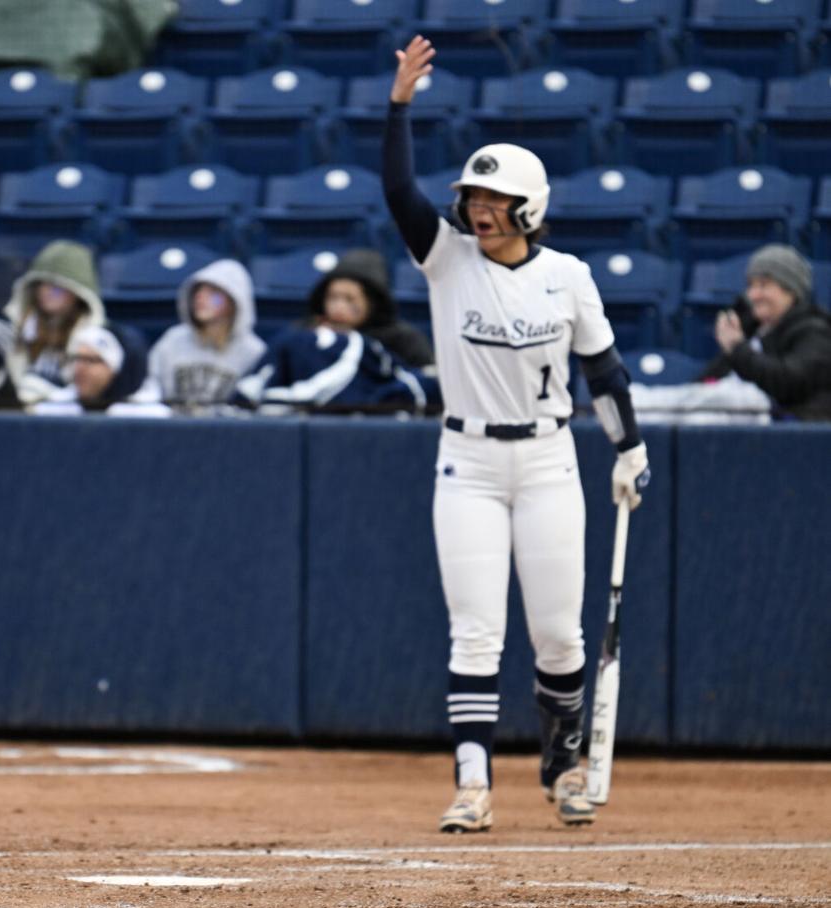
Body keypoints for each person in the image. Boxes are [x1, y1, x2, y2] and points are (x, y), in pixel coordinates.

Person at [385, 36, 649, 834]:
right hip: (465, 457)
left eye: (493, 200)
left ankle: (563, 761)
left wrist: (628, 446)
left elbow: (603, 370)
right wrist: (399, 106)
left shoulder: (567, 276)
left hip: (546, 459)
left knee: (558, 633)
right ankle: (472, 784)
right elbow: (399, 190)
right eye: (472, 198)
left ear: (529, 209)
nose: (477, 208)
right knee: (474, 629)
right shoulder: (447, 259)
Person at [703, 244, 831, 422]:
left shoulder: (815, 331)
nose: (753, 295)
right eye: (751, 286)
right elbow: (706, 382)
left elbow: (788, 383)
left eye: (763, 285)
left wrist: (737, 348)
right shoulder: (751, 330)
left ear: (791, 291)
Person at [146, 258, 266, 407]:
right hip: (172, 426)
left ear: (234, 299)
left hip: (228, 428)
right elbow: (149, 387)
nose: (200, 297)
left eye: (213, 292)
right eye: (198, 291)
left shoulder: (253, 351)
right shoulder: (173, 340)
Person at [3, 239, 106, 406]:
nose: (47, 292)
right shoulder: (14, 328)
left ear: (78, 293)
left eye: (57, 287)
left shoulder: (95, 339)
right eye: (42, 285)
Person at [308, 248, 434, 371]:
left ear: (372, 302)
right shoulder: (311, 335)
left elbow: (427, 381)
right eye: (333, 297)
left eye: (349, 299)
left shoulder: (404, 341)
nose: (339, 306)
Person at [30, 322, 164, 416]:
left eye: (91, 360)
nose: (80, 367)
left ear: (117, 370)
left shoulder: (148, 415)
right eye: (77, 358)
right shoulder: (52, 410)